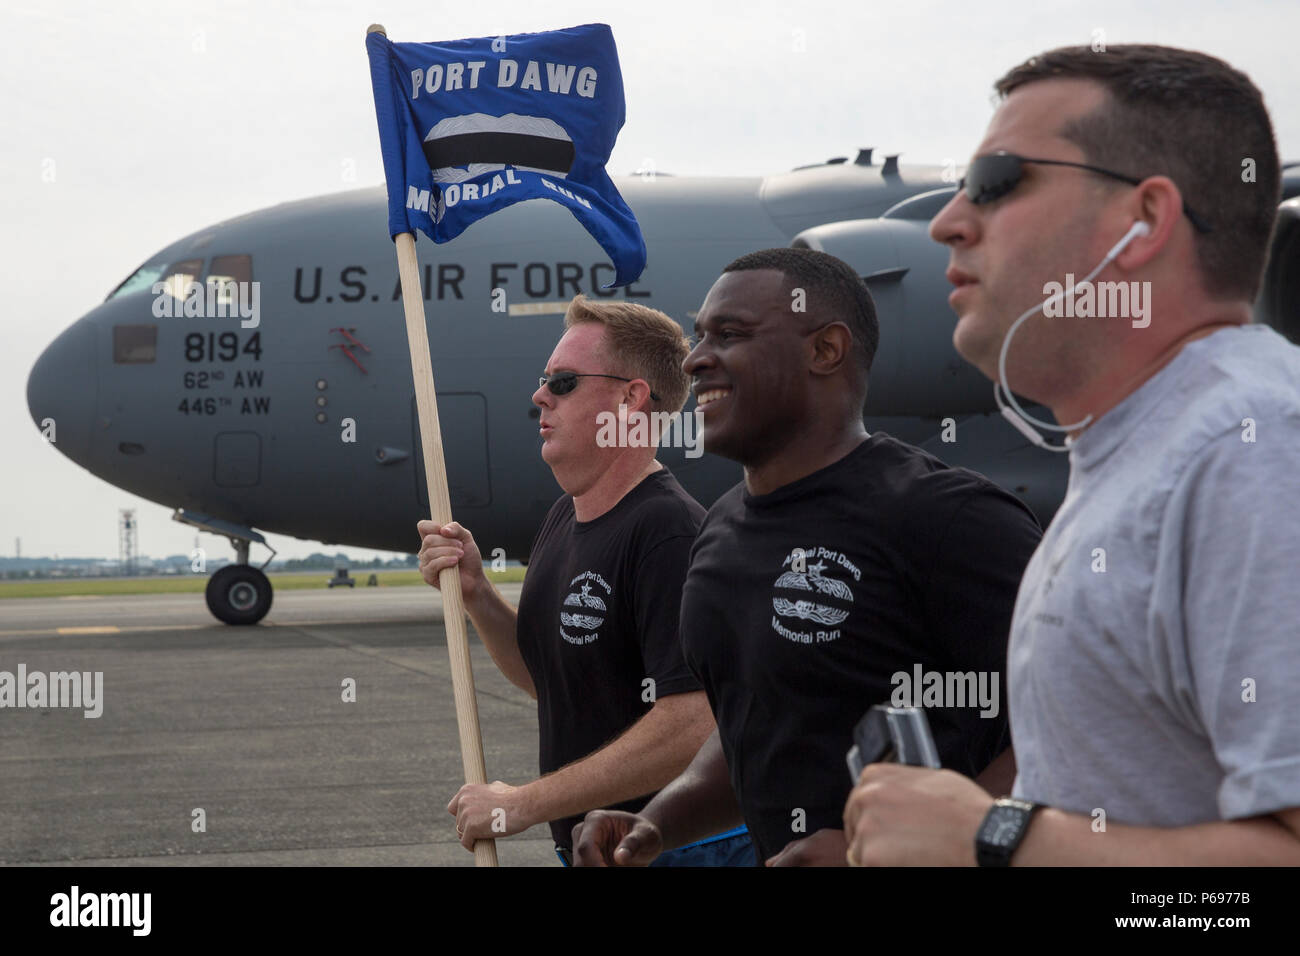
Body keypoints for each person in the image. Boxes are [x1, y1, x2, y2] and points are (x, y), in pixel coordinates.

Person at [844, 43, 1300, 866]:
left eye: (995, 180)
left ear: (1145, 221)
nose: (948, 219)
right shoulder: (1158, 449)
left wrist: (994, 841)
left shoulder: (1251, 452)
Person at [572, 247, 1043, 866]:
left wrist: (922, 846)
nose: (695, 359)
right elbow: (759, 722)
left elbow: (1086, 720)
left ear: (826, 350)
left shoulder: (949, 520)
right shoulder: (719, 532)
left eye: (731, 335)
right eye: (699, 335)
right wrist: (657, 821)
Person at [417, 295, 752, 865]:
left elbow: (693, 724)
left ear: (629, 399)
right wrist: (476, 593)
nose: (540, 394)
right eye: (545, 378)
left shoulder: (667, 534)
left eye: (564, 381)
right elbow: (553, 682)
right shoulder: (564, 518)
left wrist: (525, 803)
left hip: (680, 850)